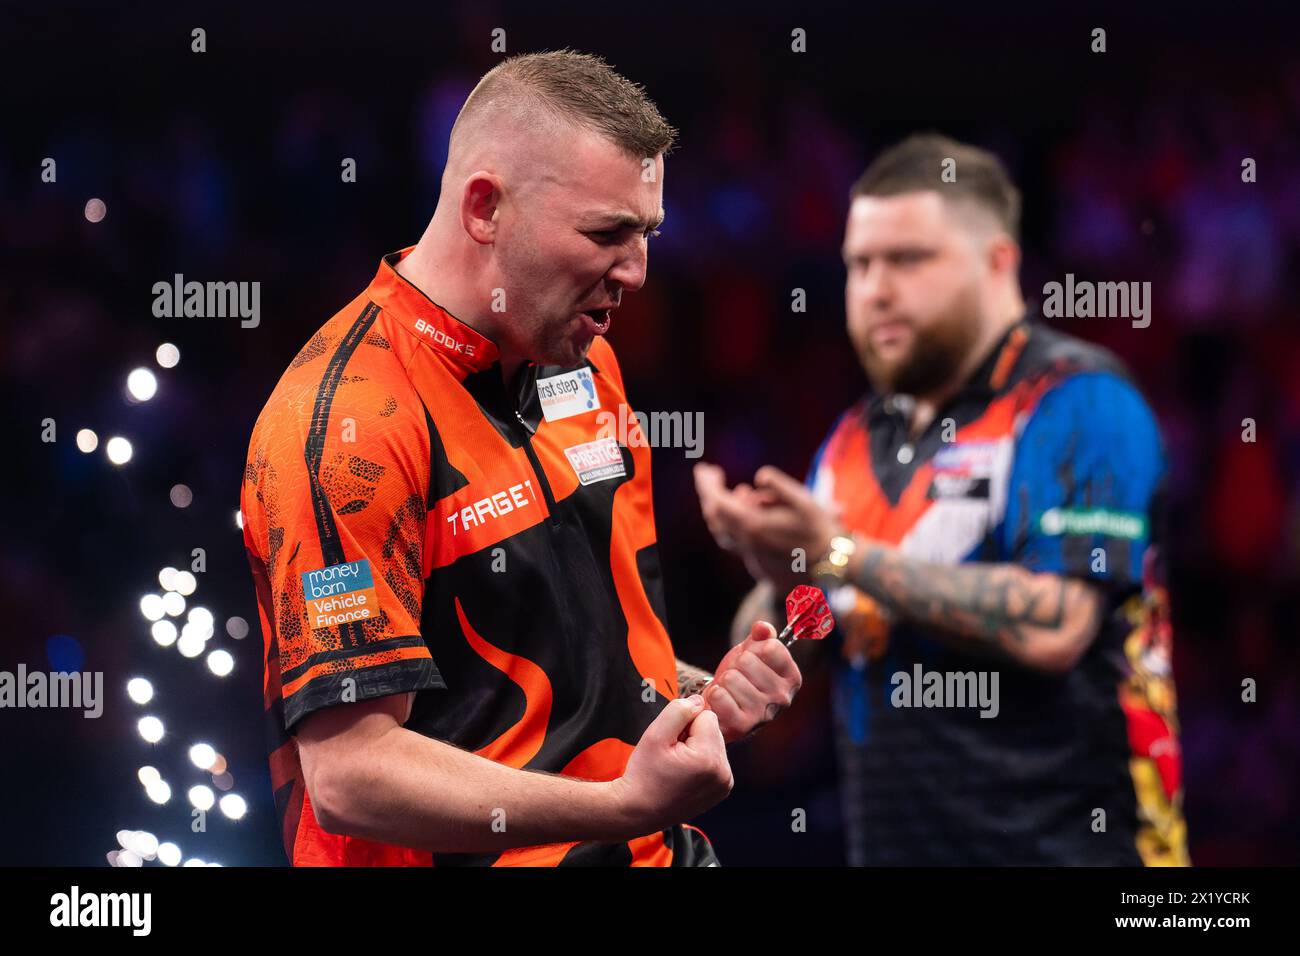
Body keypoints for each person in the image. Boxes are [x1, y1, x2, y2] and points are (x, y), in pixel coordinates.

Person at [240, 50, 801, 867]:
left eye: (646, 234)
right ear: (483, 208)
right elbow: (351, 773)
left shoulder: (584, 358)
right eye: (606, 233)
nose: (639, 273)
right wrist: (620, 805)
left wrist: (697, 691)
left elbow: (579, 659)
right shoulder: (344, 425)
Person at [695, 134, 1188, 866]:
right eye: (859, 264)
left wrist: (836, 549)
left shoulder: (1078, 401)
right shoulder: (858, 435)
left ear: (998, 263)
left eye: (908, 259)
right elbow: (826, 613)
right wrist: (778, 572)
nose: (876, 289)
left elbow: (1053, 626)